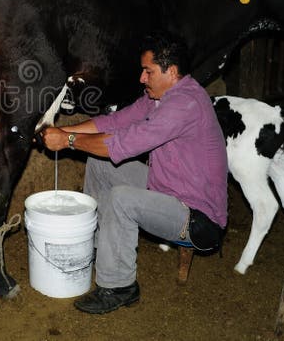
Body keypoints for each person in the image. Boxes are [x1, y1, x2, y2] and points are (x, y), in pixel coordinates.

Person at [40, 30, 228, 314]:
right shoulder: (160, 96)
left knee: (120, 198)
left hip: (197, 219)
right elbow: (114, 122)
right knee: (100, 165)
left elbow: (121, 144)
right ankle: (99, 248)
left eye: (147, 71)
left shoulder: (184, 104)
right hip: (166, 191)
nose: (142, 78)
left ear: (172, 71)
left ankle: (119, 287)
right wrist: (56, 131)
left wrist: (66, 141)